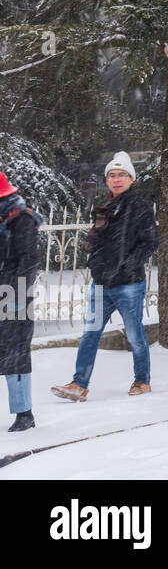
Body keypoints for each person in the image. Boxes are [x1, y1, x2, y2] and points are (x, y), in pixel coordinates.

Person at [52, 152, 156, 402]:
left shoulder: (139, 207)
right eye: (112, 175)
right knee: (90, 334)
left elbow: (150, 242)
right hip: (102, 285)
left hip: (129, 285)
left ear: (131, 178)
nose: (117, 179)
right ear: (106, 179)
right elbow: (96, 240)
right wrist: (95, 259)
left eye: (122, 175)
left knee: (134, 335)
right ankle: (79, 385)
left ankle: (142, 381)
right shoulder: (104, 206)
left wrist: (129, 264)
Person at [0, 171, 41, 432]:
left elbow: (28, 263)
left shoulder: (21, 220)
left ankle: (24, 414)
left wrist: (12, 294)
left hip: (14, 297)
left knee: (15, 355)